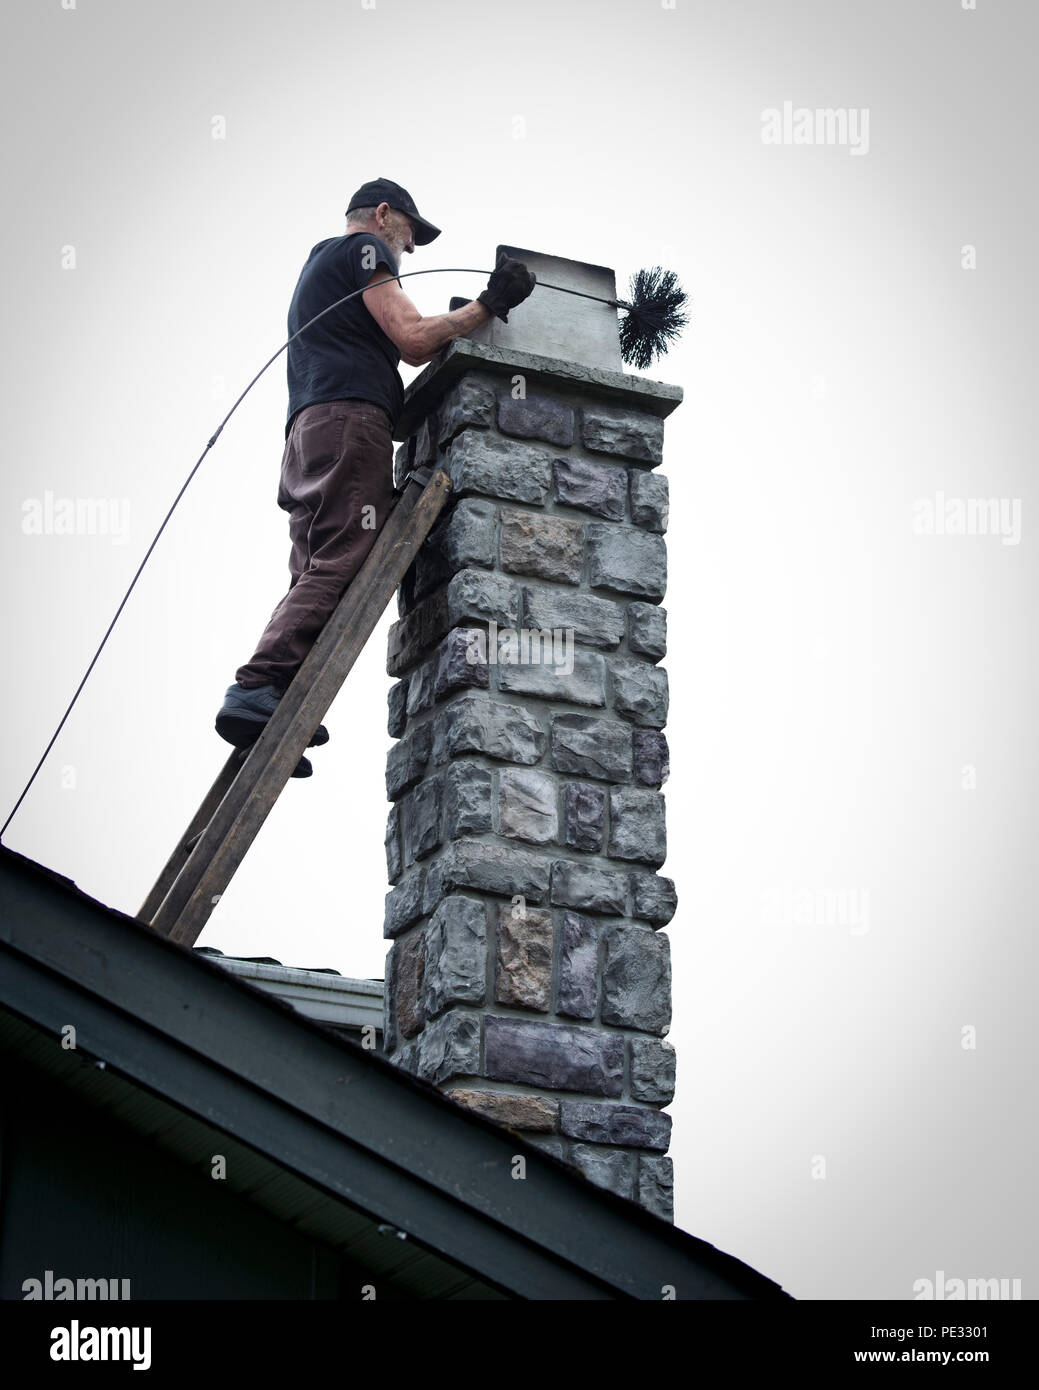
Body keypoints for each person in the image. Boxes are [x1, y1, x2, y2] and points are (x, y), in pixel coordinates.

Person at [214, 177, 536, 774]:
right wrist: (489, 306)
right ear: (383, 215)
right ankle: (258, 685)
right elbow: (412, 341)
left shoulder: (319, 267)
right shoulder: (366, 252)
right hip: (348, 424)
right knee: (350, 555)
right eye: (410, 233)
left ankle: (277, 704)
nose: (409, 251)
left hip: (307, 435)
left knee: (315, 569)